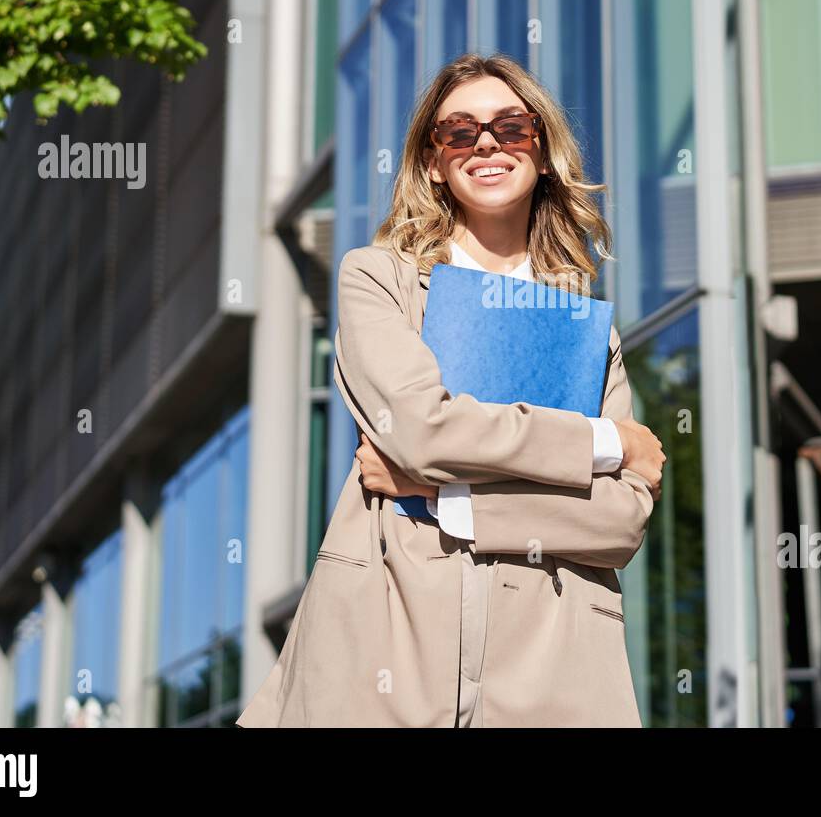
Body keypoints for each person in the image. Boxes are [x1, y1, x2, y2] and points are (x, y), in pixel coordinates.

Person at [236, 52, 666, 728]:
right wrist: (603, 441)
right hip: (384, 650)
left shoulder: (586, 327)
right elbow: (422, 430)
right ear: (433, 161)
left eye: (511, 128)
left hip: (551, 667)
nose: (486, 143)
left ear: (544, 151)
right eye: (459, 132)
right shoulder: (376, 280)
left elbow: (617, 520)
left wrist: (445, 496)